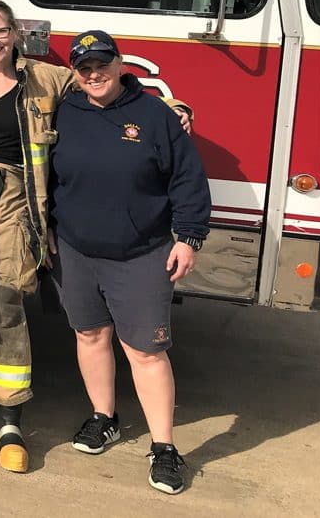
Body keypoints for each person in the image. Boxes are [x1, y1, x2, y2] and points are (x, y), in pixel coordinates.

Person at [0, 0, 193, 473]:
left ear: (16, 33)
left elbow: (106, 86)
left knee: (4, 301)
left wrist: (173, 108)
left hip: (10, 198)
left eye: (0, 31)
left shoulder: (45, 79)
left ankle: (9, 414)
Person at [50, 30, 209, 495]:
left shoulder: (156, 116)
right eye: (84, 67)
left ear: (121, 64)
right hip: (76, 250)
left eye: (102, 64)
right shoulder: (66, 111)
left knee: (146, 352)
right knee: (89, 334)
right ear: (75, 74)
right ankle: (105, 418)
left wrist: (189, 239)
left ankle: (164, 448)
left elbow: (188, 180)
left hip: (142, 253)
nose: (94, 74)